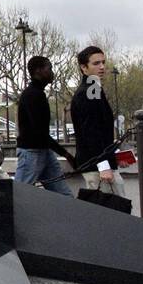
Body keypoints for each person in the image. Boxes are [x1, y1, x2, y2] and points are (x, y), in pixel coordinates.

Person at [14, 55, 75, 195]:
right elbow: (40, 131)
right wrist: (65, 153)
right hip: (32, 153)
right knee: (19, 195)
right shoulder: (33, 95)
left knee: (64, 196)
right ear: (38, 71)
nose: (52, 72)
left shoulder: (35, 94)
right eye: (49, 68)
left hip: (41, 151)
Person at [70, 45, 126, 197]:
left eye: (103, 62)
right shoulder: (90, 91)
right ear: (84, 67)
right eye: (96, 63)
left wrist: (113, 155)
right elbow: (91, 131)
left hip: (96, 162)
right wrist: (104, 166)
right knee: (114, 212)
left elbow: (99, 129)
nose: (102, 67)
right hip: (97, 165)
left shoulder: (92, 88)